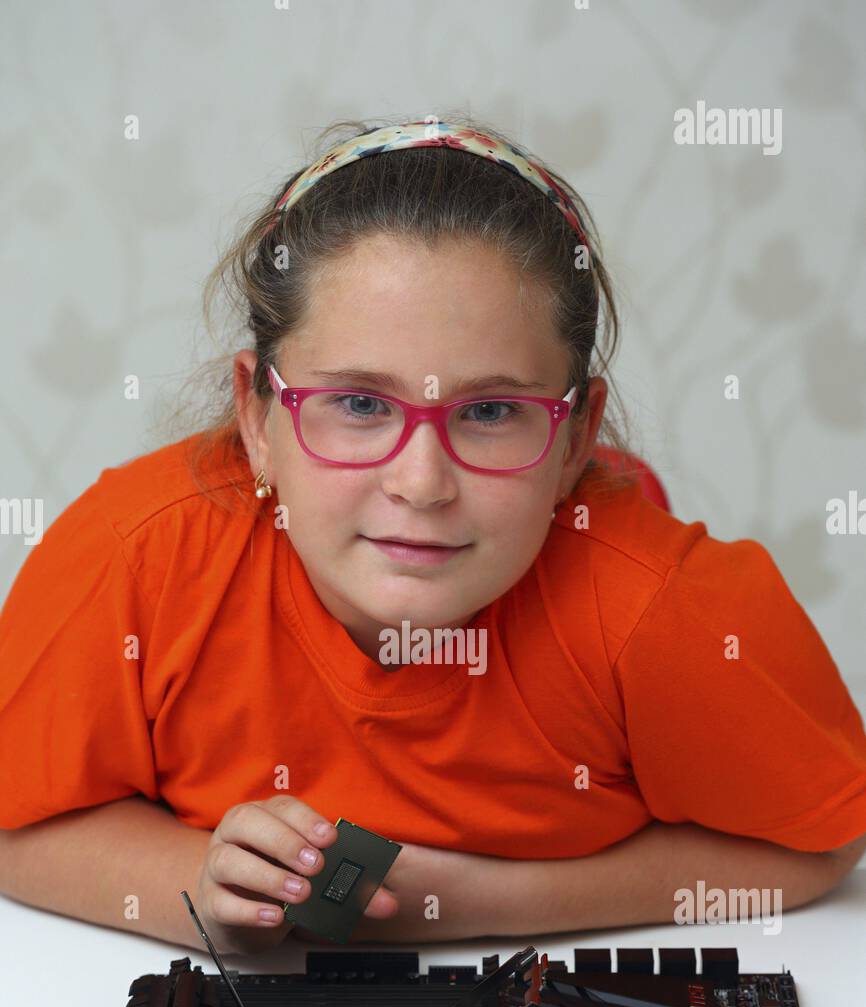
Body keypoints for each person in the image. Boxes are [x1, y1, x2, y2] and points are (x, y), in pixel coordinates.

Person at [1, 114, 865, 956]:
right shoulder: (133, 554)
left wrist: (479, 902)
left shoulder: (666, 609)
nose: (420, 483)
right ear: (256, 415)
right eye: (359, 404)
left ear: (574, 437)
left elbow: (823, 844)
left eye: (491, 411)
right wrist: (202, 887)